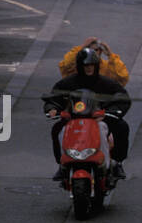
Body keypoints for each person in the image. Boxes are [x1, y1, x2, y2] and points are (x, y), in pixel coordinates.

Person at [46, 47, 130, 180]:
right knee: (58, 130)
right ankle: (62, 165)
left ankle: (115, 163)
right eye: (85, 65)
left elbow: (122, 97)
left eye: (91, 65)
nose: (89, 68)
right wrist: (52, 108)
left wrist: (110, 113)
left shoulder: (107, 83)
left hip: (99, 120)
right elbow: (54, 97)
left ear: (96, 66)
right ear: (80, 66)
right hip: (73, 121)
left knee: (121, 127)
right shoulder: (68, 83)